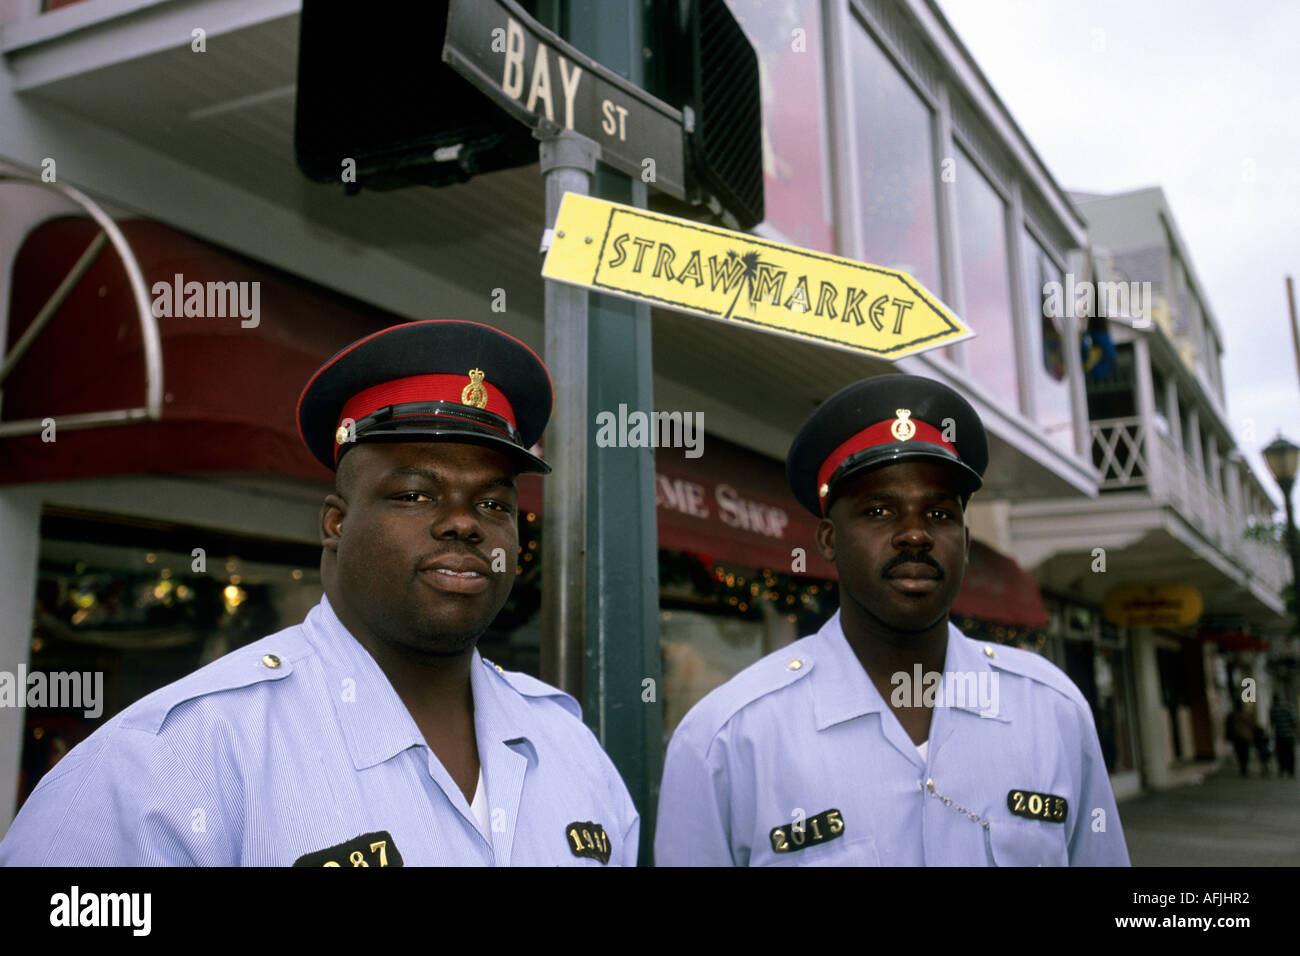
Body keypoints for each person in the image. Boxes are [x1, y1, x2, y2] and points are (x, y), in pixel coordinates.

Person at [0, 320, 638, 866]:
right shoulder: (177, 762)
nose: (464, 522)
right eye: (415, 493)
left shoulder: (569, 748)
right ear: (336, 523)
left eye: (493, 502)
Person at [655, 374, 1129, 866]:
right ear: (828, 540)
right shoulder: (728, 740)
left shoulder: (1051, 711)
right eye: (879, 510)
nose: (915, 535)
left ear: (966, 543)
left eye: (940, 514)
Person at [1271, 694, 1297, 778]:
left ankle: (1282, 769)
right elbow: (1294, 721)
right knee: (1290, 754)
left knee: (1281, 753)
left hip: (1279, 735)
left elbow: (1272, 722)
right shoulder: (1287, 707)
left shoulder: (1273, 709)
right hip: (1289, 735)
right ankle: (1291, 771)